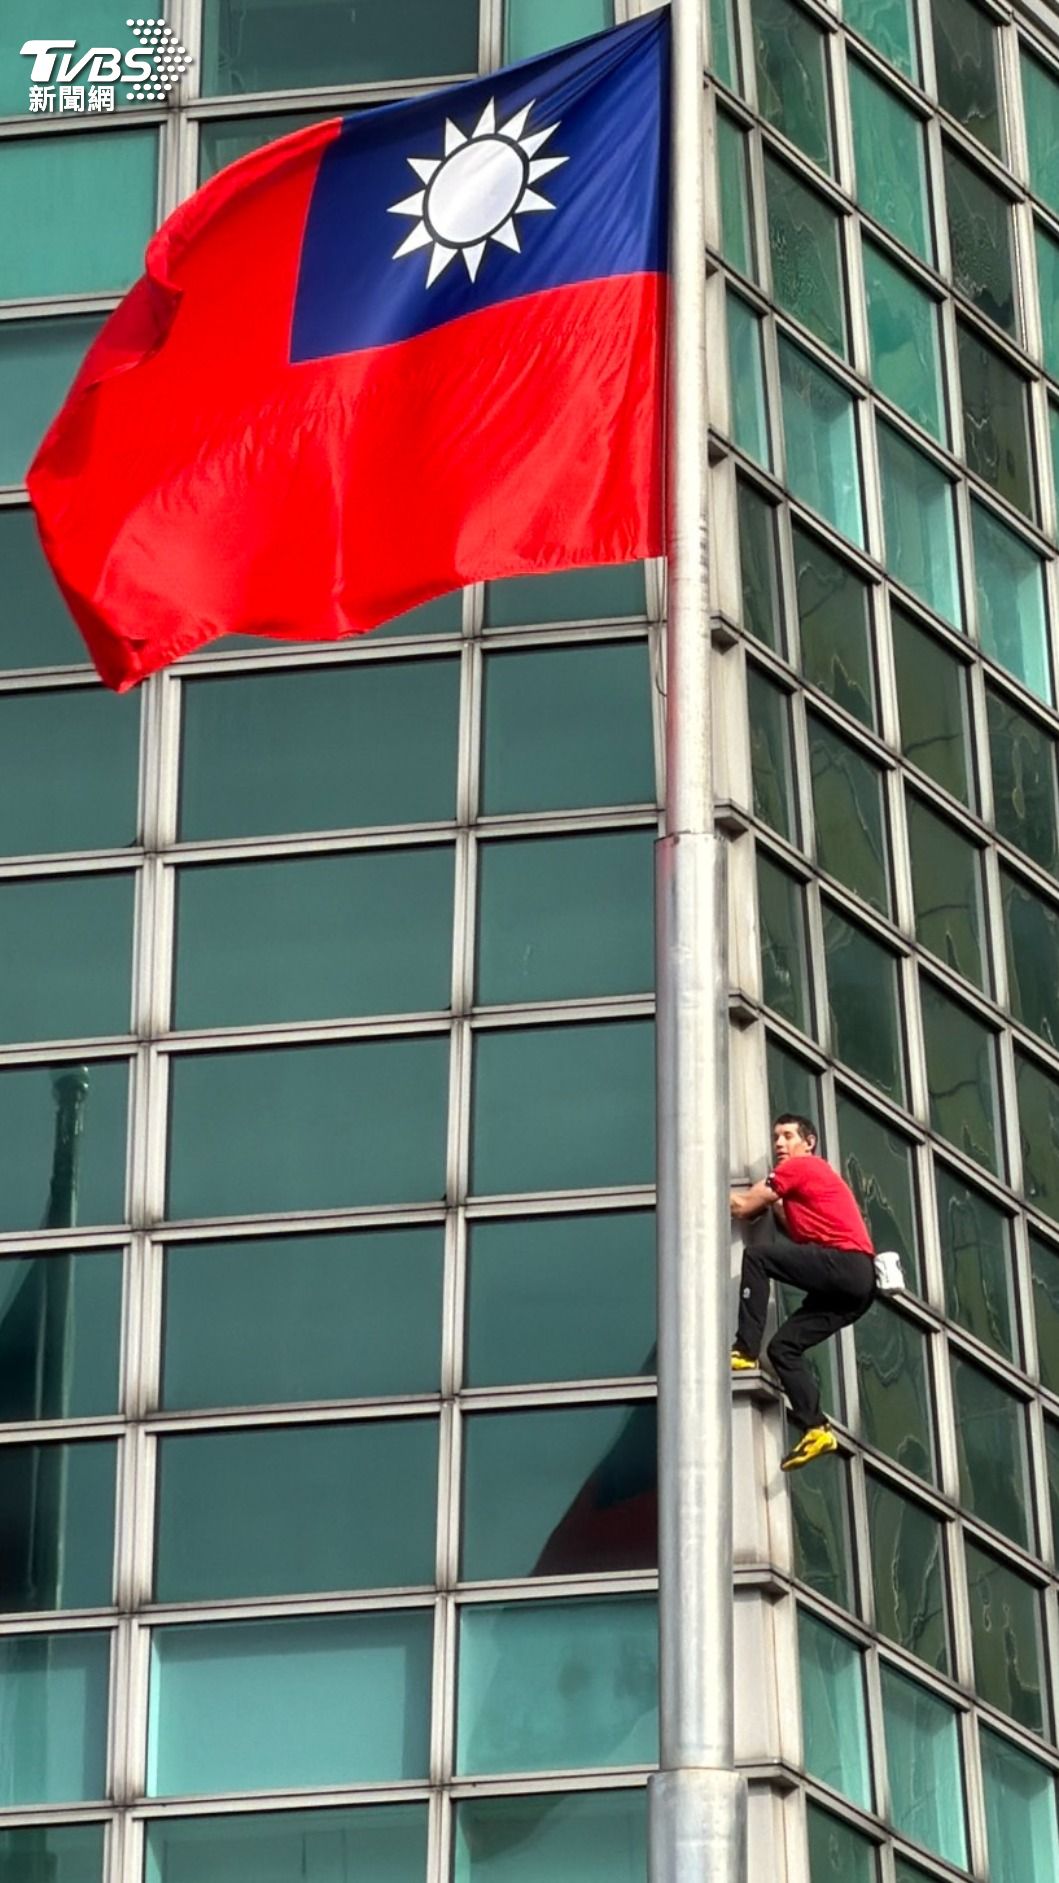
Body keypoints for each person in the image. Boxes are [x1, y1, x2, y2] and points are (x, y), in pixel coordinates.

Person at [729, 1112, 876, 1471]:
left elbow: (745, 1206)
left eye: (788, 1136)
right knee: (783, 1348)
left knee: (757, 1259)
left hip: (844, 1264)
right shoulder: (806, 1180)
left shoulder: (802, 1167)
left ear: (808, 1142)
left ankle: (745, 1350)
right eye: (776, 1137)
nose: (779, 1143)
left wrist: (697, 1181)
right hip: (858, 1285)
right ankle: (817, 1427)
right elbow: (771, 1216)